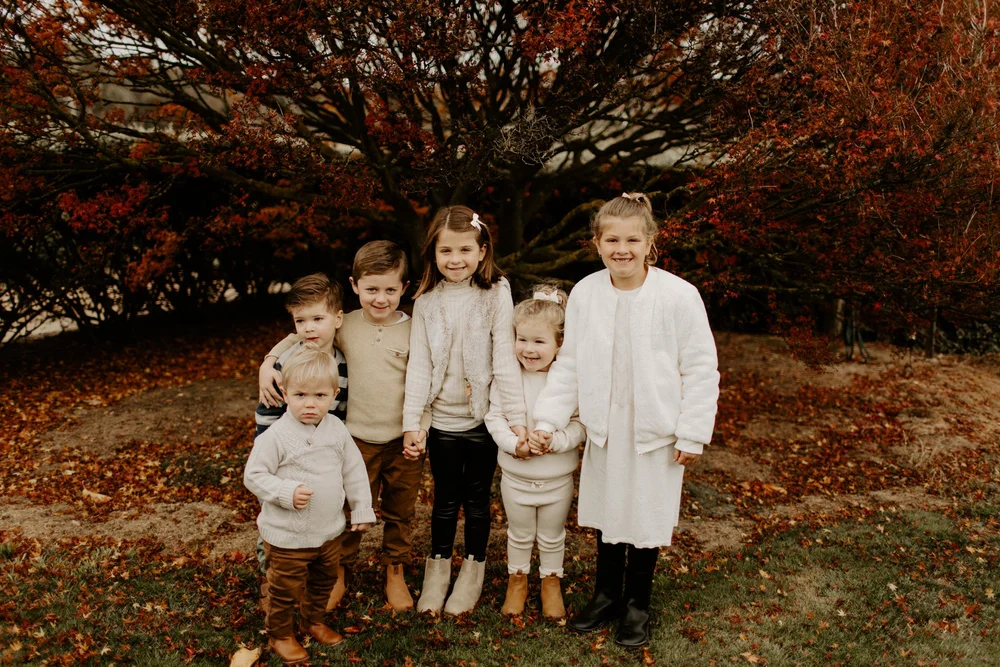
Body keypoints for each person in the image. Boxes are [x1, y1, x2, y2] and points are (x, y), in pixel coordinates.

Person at [531, 193, 720, 648]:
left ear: (650, 242)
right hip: (606, 426)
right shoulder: (586, 292)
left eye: (632, 240)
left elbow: (700, 367)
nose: (622, 249)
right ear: (596, 242)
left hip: (657, 429)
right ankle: (605, 595)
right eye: (611, 239)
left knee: (646, 514)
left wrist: (693, 432)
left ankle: (637, 603)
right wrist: (548, 420)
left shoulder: (678, 296)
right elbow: (571, 363)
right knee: (610, 511)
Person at [259, 242, 431, 612]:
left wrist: (421, 428)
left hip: (403, 440)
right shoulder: (344, 323)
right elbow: (304, 330)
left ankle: (394, 570)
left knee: (400, 511)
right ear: (355, 286)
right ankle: (339, 569)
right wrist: (271, 358)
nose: (380, 298)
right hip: (353, 440)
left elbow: (426, 382)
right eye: (371, 289)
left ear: (405, 287)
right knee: (348, 506)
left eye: (390, 289)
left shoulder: (418, 330)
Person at [402, 205, 527, 616]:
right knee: (443, 500)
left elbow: (505, 361)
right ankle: (437, 572)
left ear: (482, 249)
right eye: (446, 252)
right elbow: (419, 366)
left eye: (464, 250)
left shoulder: (496, 294)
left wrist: (516, 420)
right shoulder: (426, 302)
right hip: (441, 421)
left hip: (482, 420)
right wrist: (412, 424)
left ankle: (472, 571)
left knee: (476, 501)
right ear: (433, 255)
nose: (455, 260)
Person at [244, 347, 375, 664]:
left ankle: (312, 620)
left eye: (319, 395)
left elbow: (354, 470)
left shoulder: (336, 429)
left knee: (323, 582)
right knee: (285, 588)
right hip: (288, 536)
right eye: (300, 394)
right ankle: (280, 633)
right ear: (286, 393)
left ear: (334, 394)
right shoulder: (276, 436)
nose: (310, 403)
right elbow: (254, 475)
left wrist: (361, 508)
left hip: (329, 531)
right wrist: (285, 492)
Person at [484, 285, 585, 620]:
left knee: (553, 534)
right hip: (516, 477)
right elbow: (494, 416)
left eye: (539, 341)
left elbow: (578, 426)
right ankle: (518, 579)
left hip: (557, 479)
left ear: (560, 345)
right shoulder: (508, 379)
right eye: (522, 339)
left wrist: (554, 441)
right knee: (520, 532)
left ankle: (551, 582)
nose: (528, 349)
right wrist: (514, 445)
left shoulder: (568, 384)